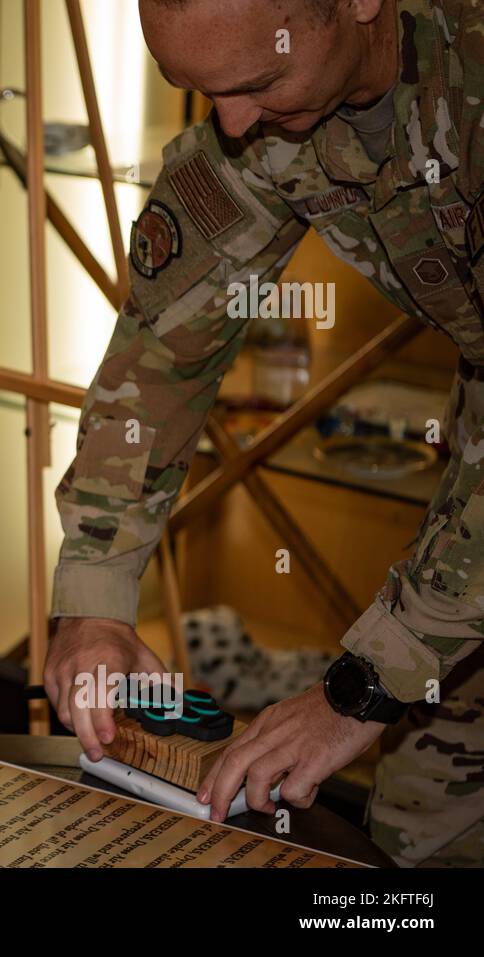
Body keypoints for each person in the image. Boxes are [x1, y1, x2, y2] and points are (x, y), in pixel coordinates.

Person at [45, 0, 484, 866]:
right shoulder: (254, 124)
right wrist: (92, 595)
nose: (233, 122)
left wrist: (361, 685)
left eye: (259, 82)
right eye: (199, 90)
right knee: (424, 826)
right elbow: (163, 351)